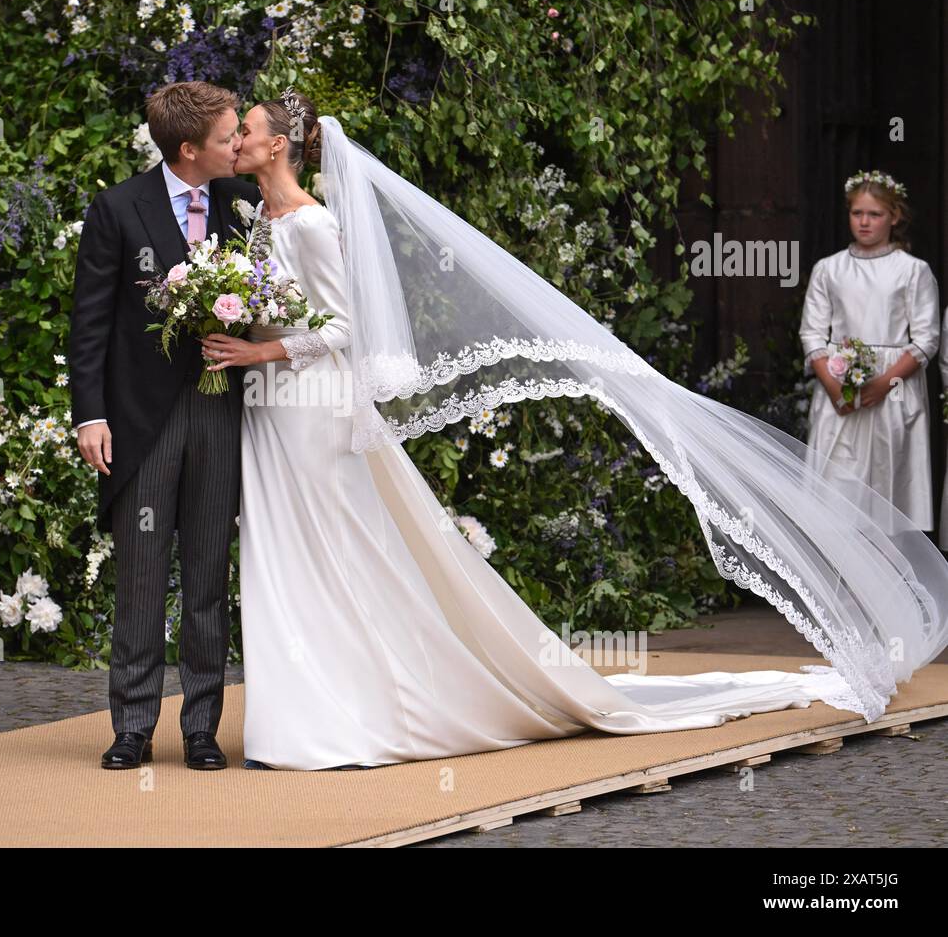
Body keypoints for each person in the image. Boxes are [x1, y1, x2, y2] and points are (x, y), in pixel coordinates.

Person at [199, 91, 948, 771]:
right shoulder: (255, 220)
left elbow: (345, 326)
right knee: (281, 552)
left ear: (278, 147)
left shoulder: (316, 224)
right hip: (269, 410)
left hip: (311, 408)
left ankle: (340, 712)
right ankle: (296, 711)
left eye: (247, 134)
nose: (234, 144)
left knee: (335, 548)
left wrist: (258, 348)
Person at [68, 81, 260, 771]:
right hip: (140, 423)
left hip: (220, 412)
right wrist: (89, 415)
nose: (237, 144)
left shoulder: (245, 209)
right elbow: (88, 324)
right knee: (143, 580)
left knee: (209, 577)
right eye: (227, 136)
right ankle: (132, 729)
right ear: (188, 149)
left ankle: (202, 729)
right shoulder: (118, 209)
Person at [799, 170, 939, 536]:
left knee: (887, 496)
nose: (864, 221)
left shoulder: (913, 271)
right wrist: (834, 388)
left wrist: (882, 385)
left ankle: (885, 588)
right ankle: (837, 588)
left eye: (874, 214)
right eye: (857, 213)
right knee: (836, 490)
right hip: (839, 389)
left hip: (892, 393)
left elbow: (926, 338)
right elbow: (812, 332)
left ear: (894, 216)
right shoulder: (828, 270)